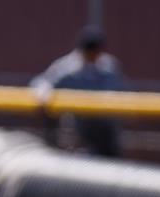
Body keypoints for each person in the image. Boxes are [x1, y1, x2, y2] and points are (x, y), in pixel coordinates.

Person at [31, 25, 126, 158]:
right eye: (90, 52)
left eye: (96, 52)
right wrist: (44, 95)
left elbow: (121, 91)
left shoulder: (108, 66)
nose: (93, 56)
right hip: (79, 131)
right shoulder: (69, 67)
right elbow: (43, 82)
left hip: (105, 131)